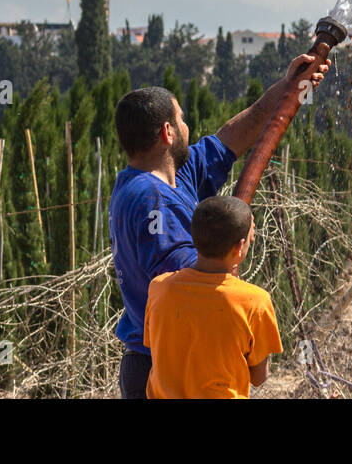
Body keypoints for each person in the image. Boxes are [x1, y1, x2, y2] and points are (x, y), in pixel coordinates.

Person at [108, 51, 327, 399]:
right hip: (169, 370)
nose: (187, 126)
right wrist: (234, 240)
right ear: (167, 132)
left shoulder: (169, 177)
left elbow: (231, 138)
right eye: (181, 120)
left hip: (170, 363)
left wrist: (287, 86)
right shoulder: (153, 202)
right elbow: (195, 286)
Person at [143, 195, 281, 398]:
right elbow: (259, 377)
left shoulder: (159, 289)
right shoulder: (255, 301)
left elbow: (155, 349)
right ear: (238, 247)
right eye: (250, 238)